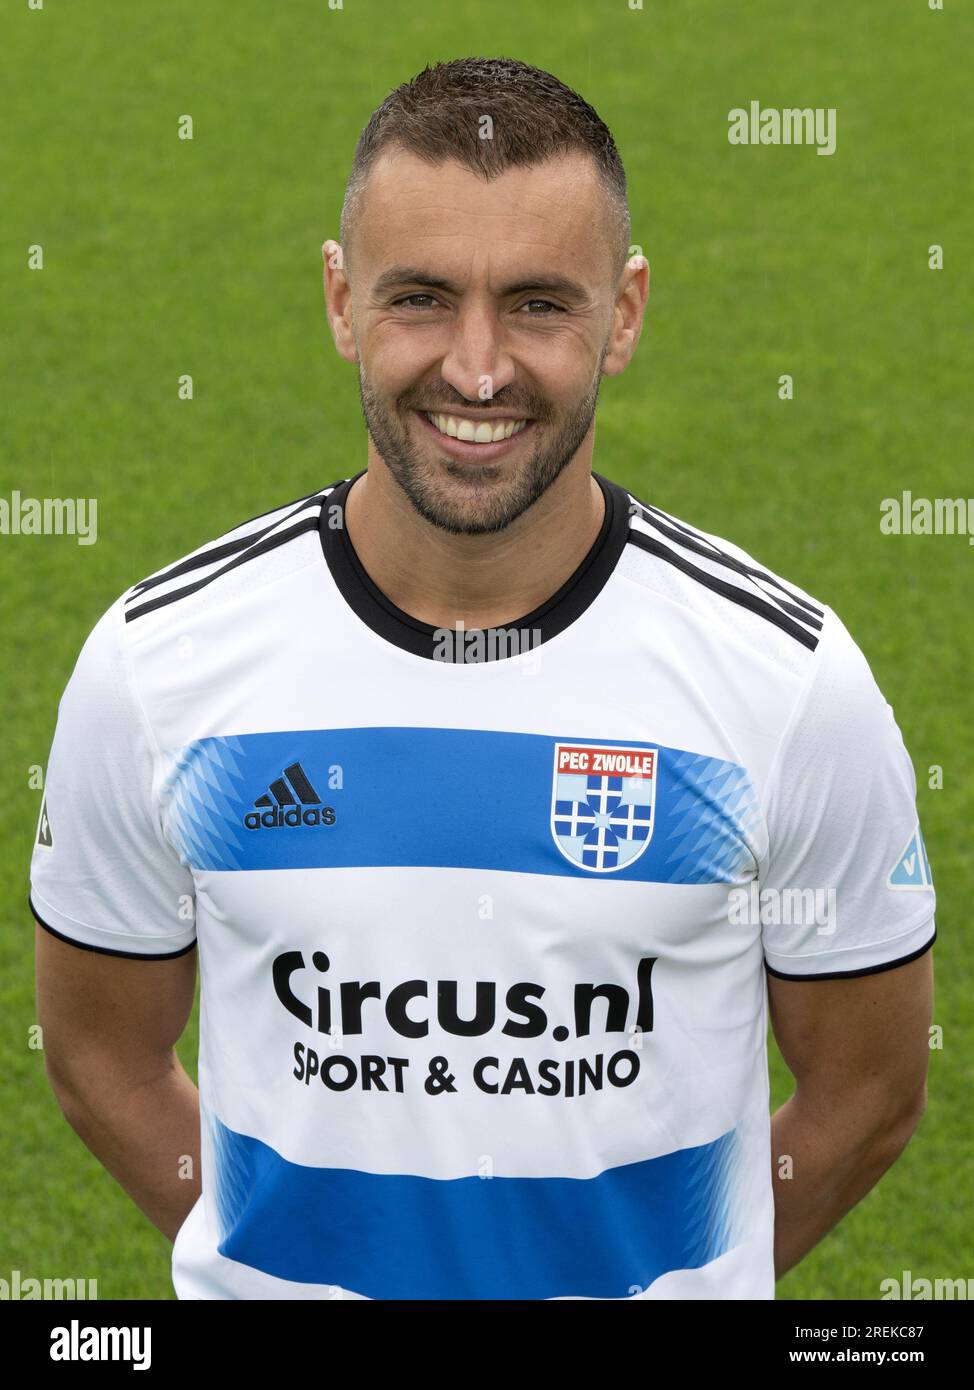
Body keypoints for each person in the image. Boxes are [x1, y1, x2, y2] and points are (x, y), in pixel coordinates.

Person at [30, 57, 935, 1301]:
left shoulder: (786, 684)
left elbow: (868, 1094)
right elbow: (97, 1058)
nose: (474, 369)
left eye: (535, 305)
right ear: (341, 302)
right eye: (419, 298)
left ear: (621, 315)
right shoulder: (158, 665)